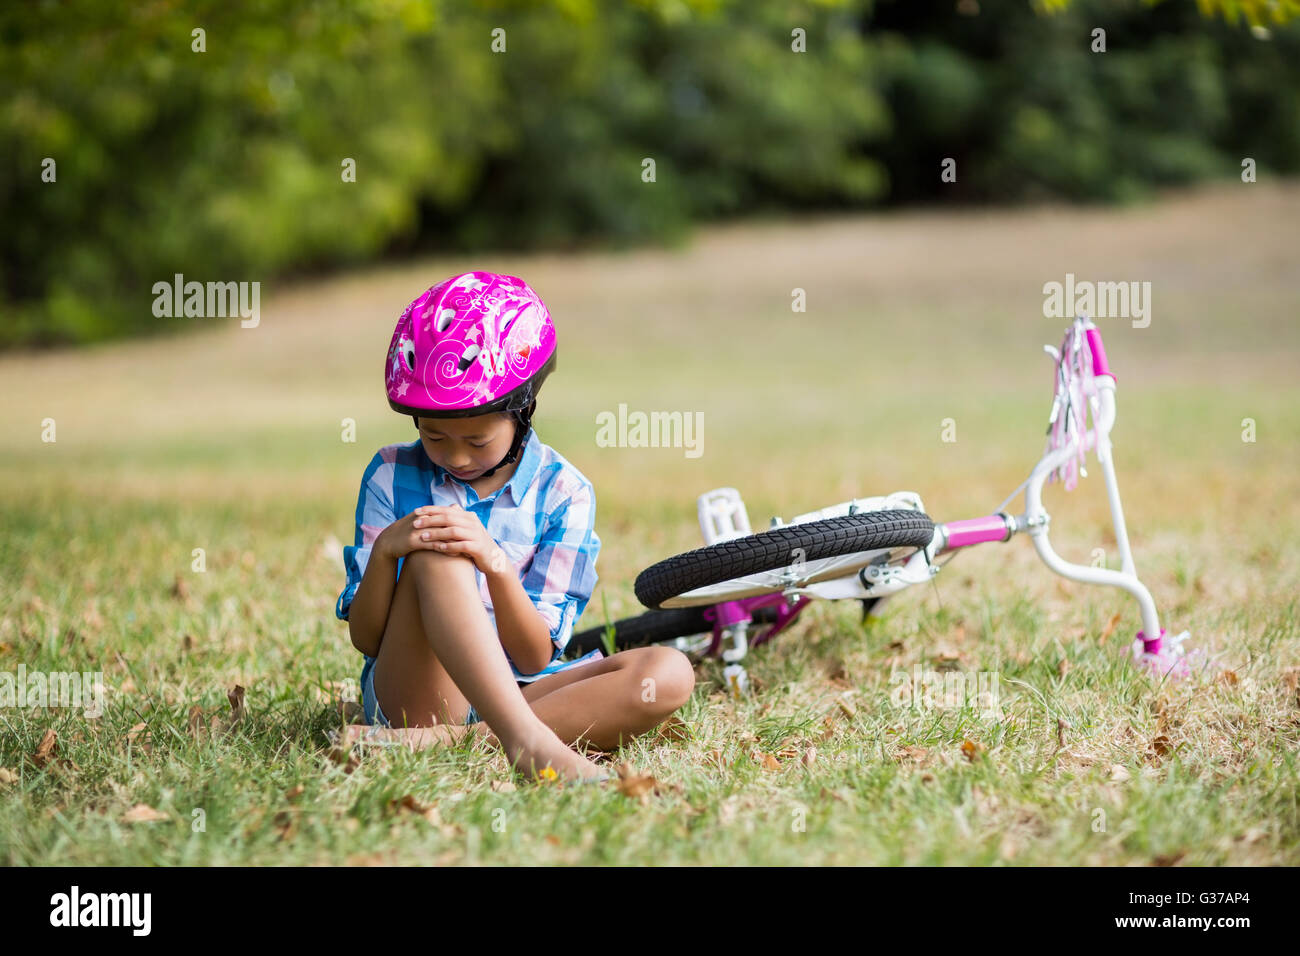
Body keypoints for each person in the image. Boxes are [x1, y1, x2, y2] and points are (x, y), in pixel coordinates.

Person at [334, 271, 694, 783]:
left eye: (477, 441)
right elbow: (368, 640)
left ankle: (442, 745)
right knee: (439, 549)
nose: (455, 457)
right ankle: (525, 743)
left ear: (523, 410)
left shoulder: (564, 493)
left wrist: (496, 565)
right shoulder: (390, 475)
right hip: (420, 694)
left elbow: (532, 654)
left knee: (669, 674)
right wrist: (392, 552)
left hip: (524, 685)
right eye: (435, 437)